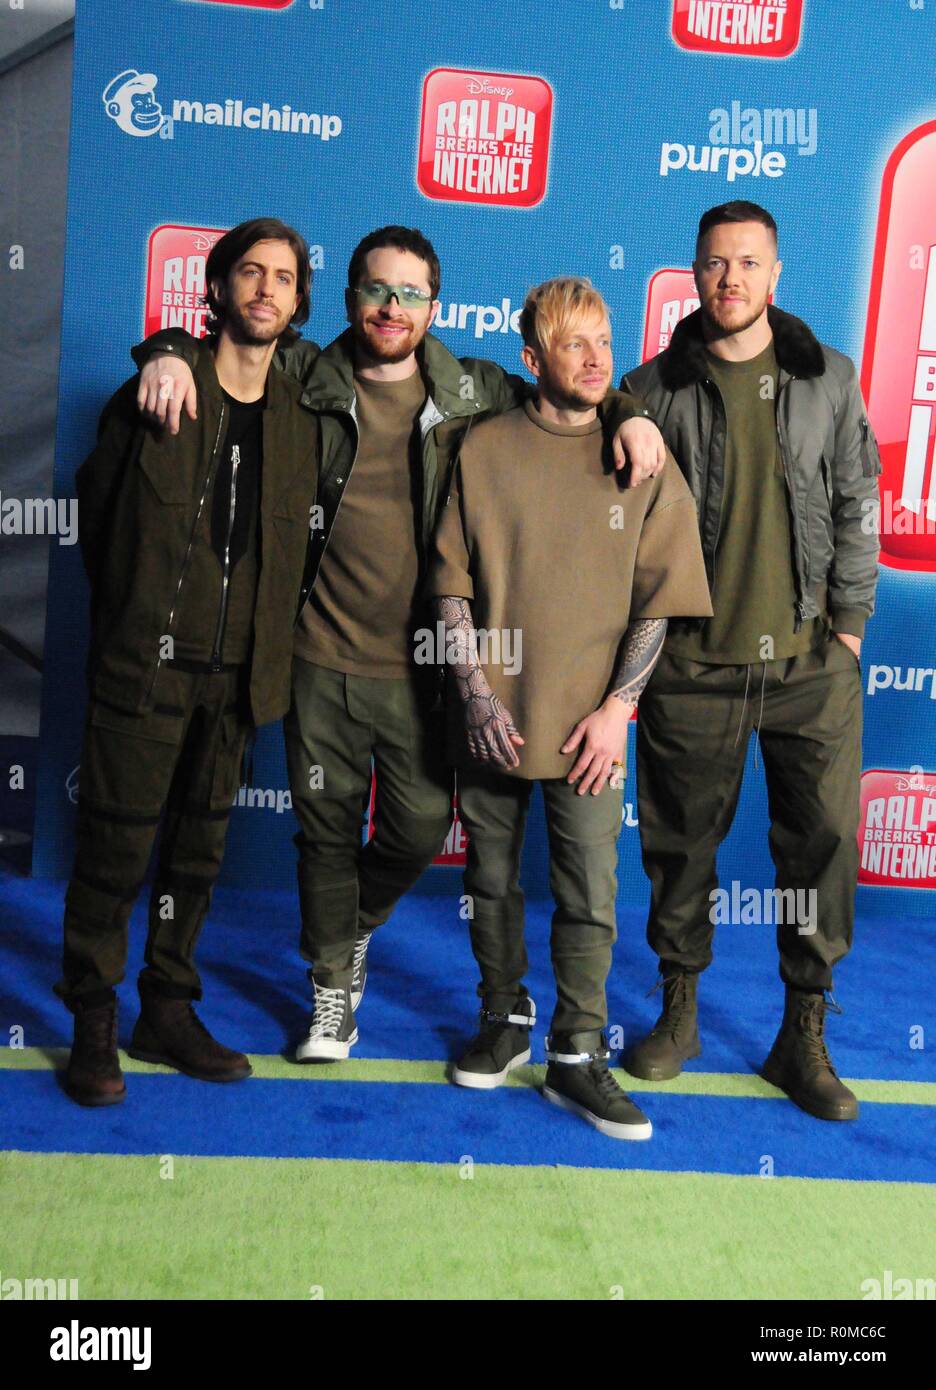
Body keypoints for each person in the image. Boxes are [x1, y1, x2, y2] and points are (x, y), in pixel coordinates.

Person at [131, 227, 667, 1062]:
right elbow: (231, 347)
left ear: (435, 307)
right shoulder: (307, 373)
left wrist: (631, 413)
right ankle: (332, 997)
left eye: (412, 293)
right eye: (378, 290)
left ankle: (349, 932)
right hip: (316, 655)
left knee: (420, 827)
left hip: (425, 667)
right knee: (324, 832)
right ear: (348, 300)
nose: (393, 307)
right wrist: (164, 349)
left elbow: (569, 384)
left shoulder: (471, 390)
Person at [428, 277, 712, 1140]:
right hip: (493, 713)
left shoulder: (643, 457)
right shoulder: (478, 449)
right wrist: (474, 694)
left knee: (592, 888)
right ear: (531, 359)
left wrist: (617, 709)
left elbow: (659, 602)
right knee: (489, 879)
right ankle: (504, 1017)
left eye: (603, 342)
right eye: (572, 345)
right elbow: (449, 589)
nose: (595, 360)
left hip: (591, 721)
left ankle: (578, 1054)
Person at [619, 201, 880, 1121]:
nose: (730, 279)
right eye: (714, 264)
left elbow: (857, 501)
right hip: (694, 665)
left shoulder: (826, 379)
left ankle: (801, 1033)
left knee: (822, 849)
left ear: (776, 274)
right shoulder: (650, 390)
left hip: (812, 664)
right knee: (681, 848)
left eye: (748, 263)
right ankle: (679, 1011)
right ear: (693, 273)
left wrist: (847, 630)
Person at [60, 218, 320, 1105]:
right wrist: (161, 352)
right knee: (112, 851)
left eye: (283, 278)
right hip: (147, 669)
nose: (265, 289)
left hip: (239, 680)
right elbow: (99, 523)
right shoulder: (156, 391)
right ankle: (92, 1017)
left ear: (297, 303)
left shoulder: (303, 417)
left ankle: (165, 1007)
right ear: (214, 290)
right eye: (249, 272)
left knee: (196, 859)